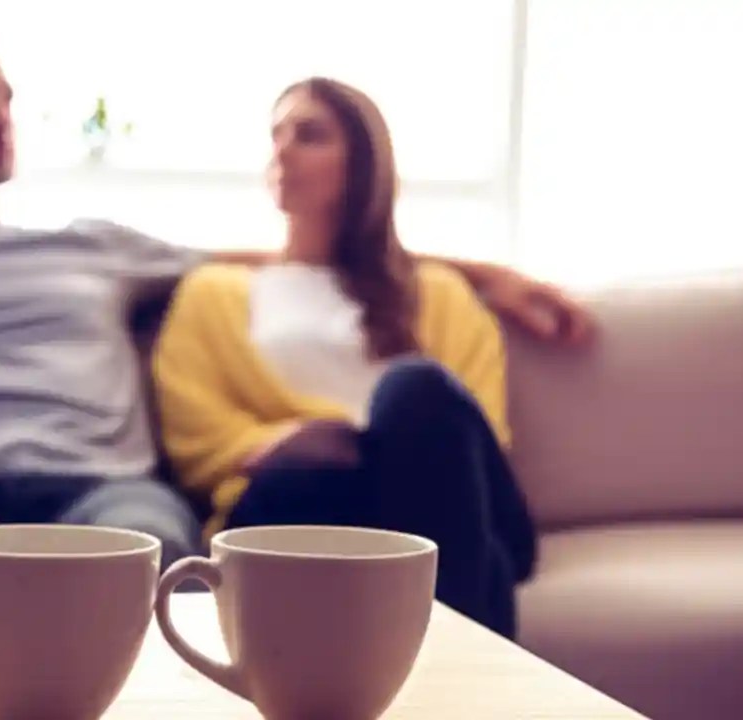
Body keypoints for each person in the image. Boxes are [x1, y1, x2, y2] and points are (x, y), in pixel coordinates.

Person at [0, 19, 589, 605]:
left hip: (95, 481)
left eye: (2, 95)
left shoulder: (95, 243)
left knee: (155, 549)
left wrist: (483, 273)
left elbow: (294, 258)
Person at [152, 78, 573, 638]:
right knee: (317, 486)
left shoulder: (441, 293)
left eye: (309, 134)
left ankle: (454, 672)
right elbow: (194, 433)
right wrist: (288, 440)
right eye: (276, 134)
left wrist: (366, 440)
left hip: (433, 495)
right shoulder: (213, 292)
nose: (282, 149)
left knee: (414, 388)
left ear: (363, 159)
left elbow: (477, 433)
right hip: (299, 498)